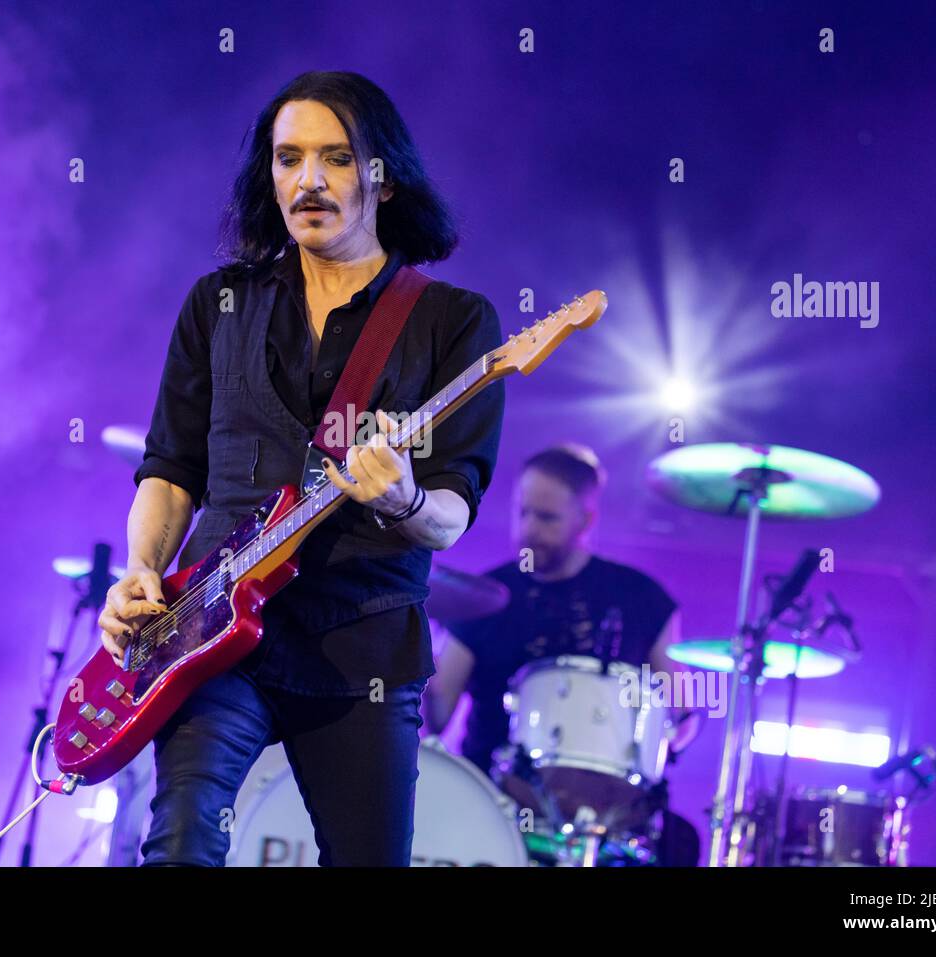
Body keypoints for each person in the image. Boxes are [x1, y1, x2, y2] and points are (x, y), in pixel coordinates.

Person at [97, 71, 505, 866]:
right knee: (179, 840)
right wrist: (143, 568)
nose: (309, 180)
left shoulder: (454, 323)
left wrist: (403, 497)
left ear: (383, 178)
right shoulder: (219, 303)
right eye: (288, 159)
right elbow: (171, 468)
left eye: (337, 158)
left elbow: (453, 514)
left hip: (364, 647)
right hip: (212, 627)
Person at [423, 444, 702, 864]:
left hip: (606, 821)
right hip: (491, 813)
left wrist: (678, 731)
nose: (528, 529)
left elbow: (681, 709)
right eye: (523, 512)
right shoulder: (480, 596)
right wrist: (416, 653)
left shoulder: (641, 598)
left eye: (546, 517)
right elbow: (437, 717)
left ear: (586, 520)